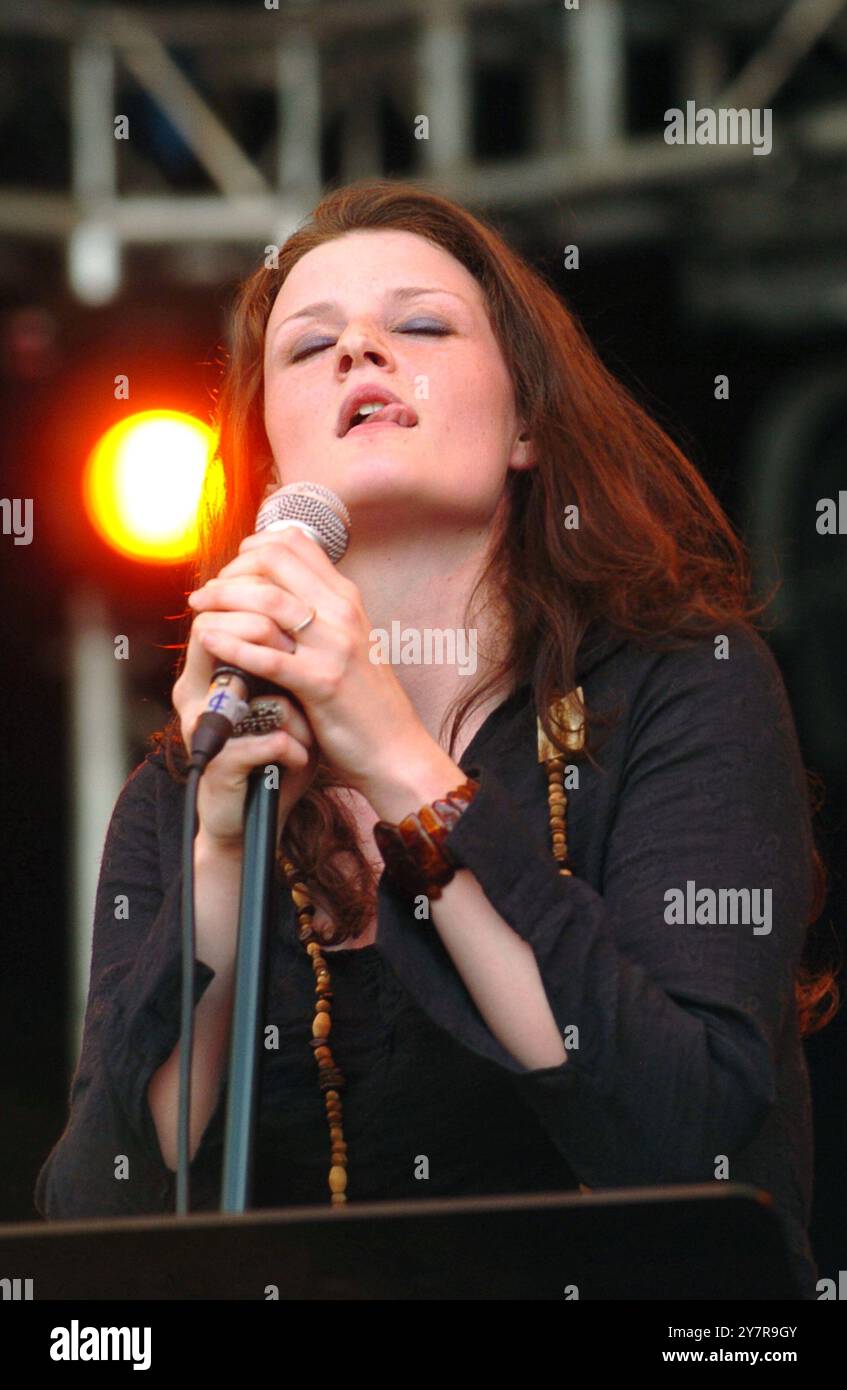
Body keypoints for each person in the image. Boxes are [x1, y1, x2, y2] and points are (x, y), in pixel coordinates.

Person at [35, 179, 837, 1300]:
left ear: (524, 425)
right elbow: (100, 1227)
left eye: (418, 325)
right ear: (271, 466)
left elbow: (685, 1144)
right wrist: (217, 860)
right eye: (308, 347)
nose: (360, 348)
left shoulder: (677, 686)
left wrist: (396, 759)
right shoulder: (188, 783)